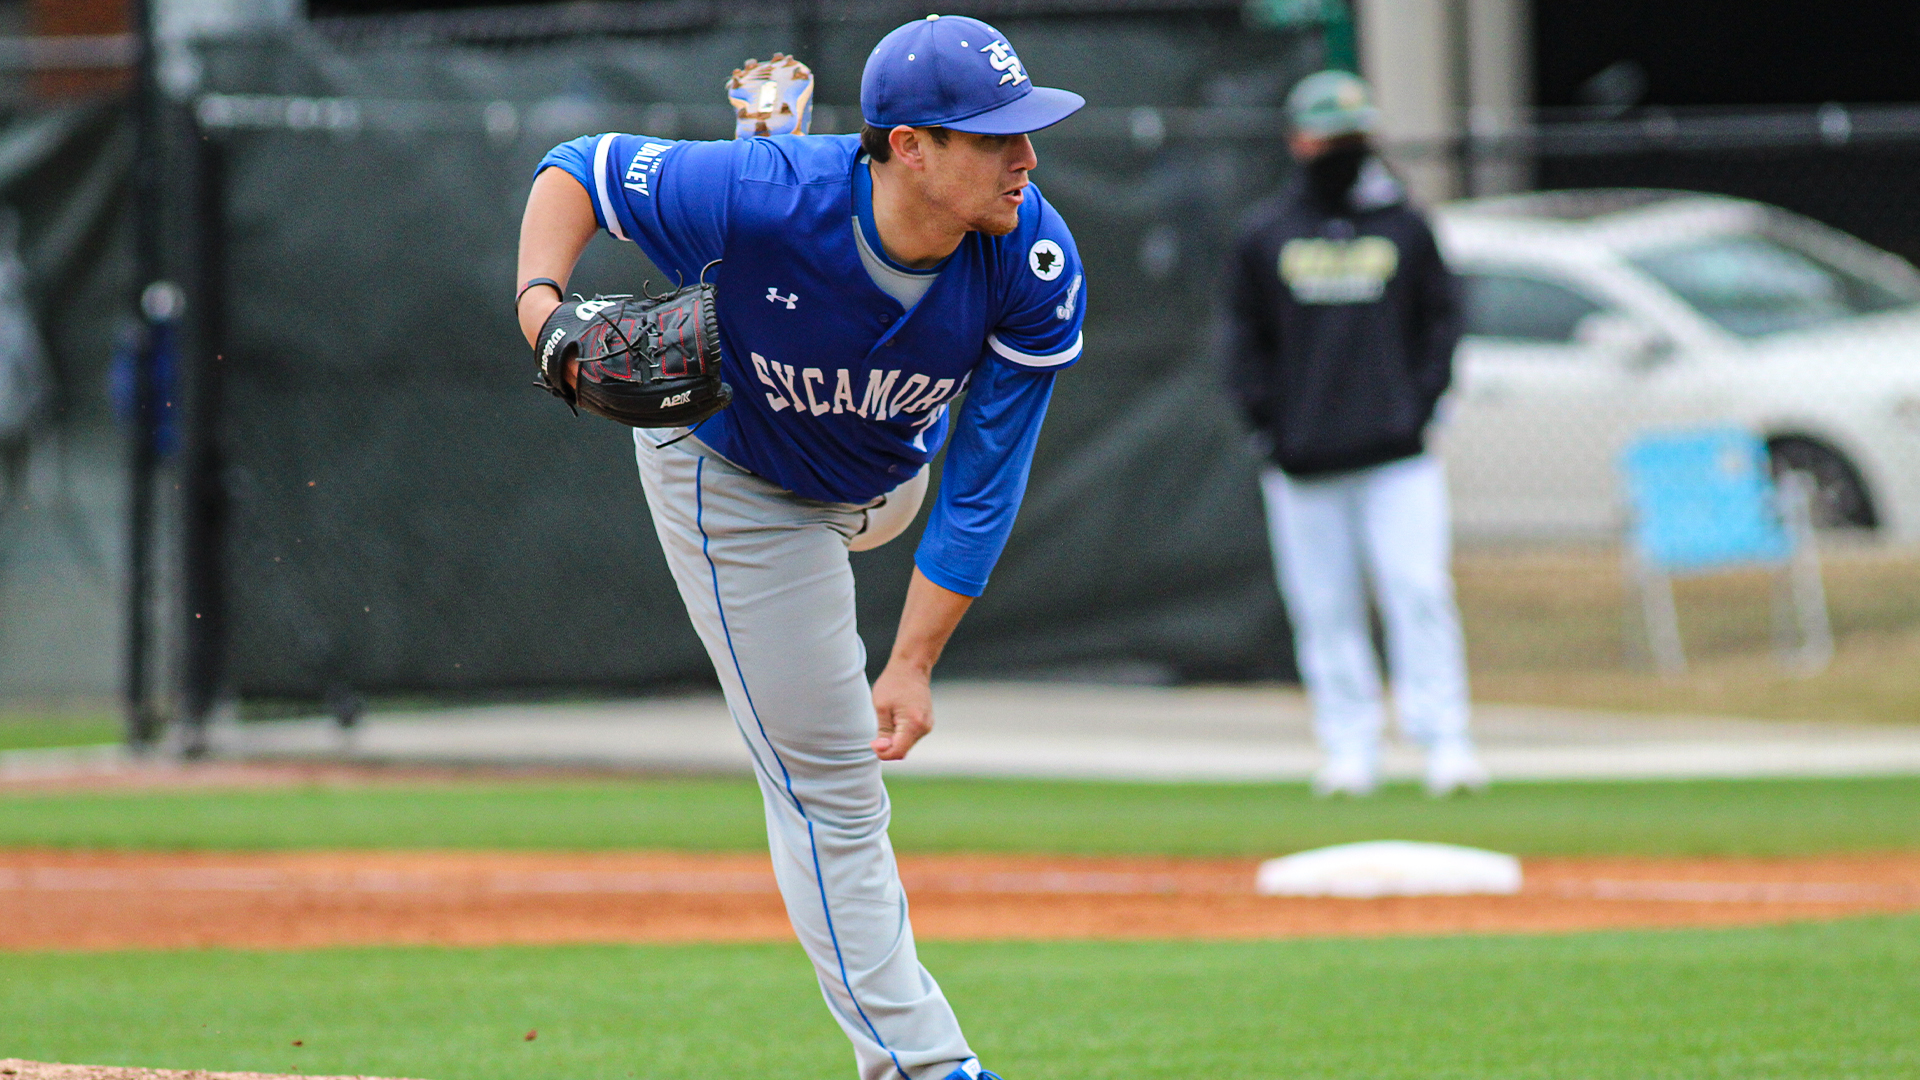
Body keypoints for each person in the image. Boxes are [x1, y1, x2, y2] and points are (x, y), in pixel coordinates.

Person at [515, 15, 1085, 1080]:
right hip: (735, 475)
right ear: (911, 145)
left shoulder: (1032, 257)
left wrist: (912, 660)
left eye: (1028, 132)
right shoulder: (770, 196)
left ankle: (735, 239)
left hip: (885, 479)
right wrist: (543, 314)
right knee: (829, 787)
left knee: (888, 488)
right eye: (998, 136)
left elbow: (982, 481)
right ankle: (920, 1065)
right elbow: (574, 168)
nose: (1029, 157)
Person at [1221, 70, 1487, 798]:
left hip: (1398, 457)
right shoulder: (1264, 233)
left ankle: (1445, 741)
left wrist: (1421, 406)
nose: (1343, 150)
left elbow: (1442, 323)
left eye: (1354, 137)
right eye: (1330, 137)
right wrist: (1269, 426)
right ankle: (1349, 747)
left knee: (1418, 590)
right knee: (1324, 608)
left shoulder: (1407, 224)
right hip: (1303, 462)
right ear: (1298, 141)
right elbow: (1243, 341)